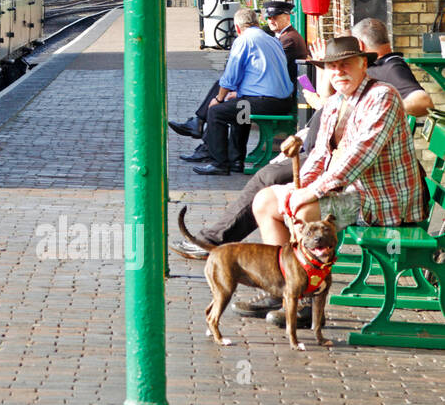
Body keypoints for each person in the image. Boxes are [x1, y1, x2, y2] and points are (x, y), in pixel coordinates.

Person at [172, 17, 433, 271]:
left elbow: (359, 156)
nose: (339, 72)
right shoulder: (338, 100)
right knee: (265, 200)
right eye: (332, 67)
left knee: (303, 208)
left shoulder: (383, 92)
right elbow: (321, 153)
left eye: (347, 64)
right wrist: (299, 186)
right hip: (350, 188)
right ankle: (282, 287)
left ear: (363, 62)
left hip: (379, 199)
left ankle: (305, 293)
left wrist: (311, 192)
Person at [186, 9, 294, 175]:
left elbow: (231, 75)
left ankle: (219, 163)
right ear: (257, 23)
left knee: (216, 112)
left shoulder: (244, 39)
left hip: (266, 101)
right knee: (240, 111)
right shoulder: (272, 39)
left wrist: (219, 98)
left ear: (237, 27)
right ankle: (236, 160)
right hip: (282, 100)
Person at [263, 0, 309, 84]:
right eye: (269, 18)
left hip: (290, 90)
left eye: (275, 17)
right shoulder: (285, 36)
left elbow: (272, 65)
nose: (271, 21)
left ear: (287, 17)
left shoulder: (289, 39)